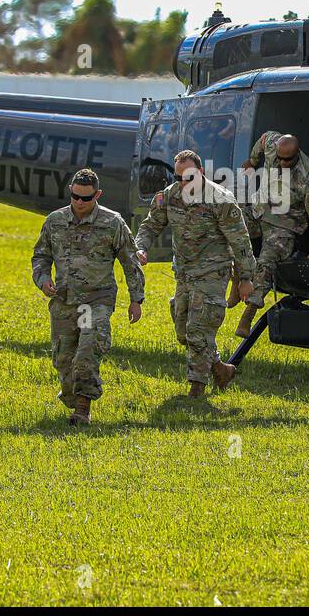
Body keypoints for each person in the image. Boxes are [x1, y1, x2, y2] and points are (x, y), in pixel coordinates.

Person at [135, 150, 255, 398]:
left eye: (188, 176)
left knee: (199, 330)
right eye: (178, 177)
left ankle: (196, 390)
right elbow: (151, 224)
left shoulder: (220, 199)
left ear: (200, 172)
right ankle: (221, 369)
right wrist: (141, 247)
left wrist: (245, 279)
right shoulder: (170, 196)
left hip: (213, 273)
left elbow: (240, 240)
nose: (183, 182)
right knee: (183, 332)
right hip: (184, 273)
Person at [32, 168, 145, 425]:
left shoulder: (113, 222)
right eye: (75, 196)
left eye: (86, 198)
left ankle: (82, 409)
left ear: (98, 195)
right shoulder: (55, 221)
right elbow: (40, 256)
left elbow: (131, 262)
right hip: (63, 299)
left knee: (86, 353)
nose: (80, 203)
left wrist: (136, 300)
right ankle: (74, 397)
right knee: (63, 360)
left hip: (97, 300)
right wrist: (43, 280)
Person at [234, 133, 309, 337]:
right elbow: (264, 139)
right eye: (279, 157)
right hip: (260, 210)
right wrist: (252, 160)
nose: (282, 162)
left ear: (296, 154)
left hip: (284, 224)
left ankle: (248, 316)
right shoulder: (273, 145)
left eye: (287, 159)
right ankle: (236, 280)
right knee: (230, 225)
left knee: (266, 261)